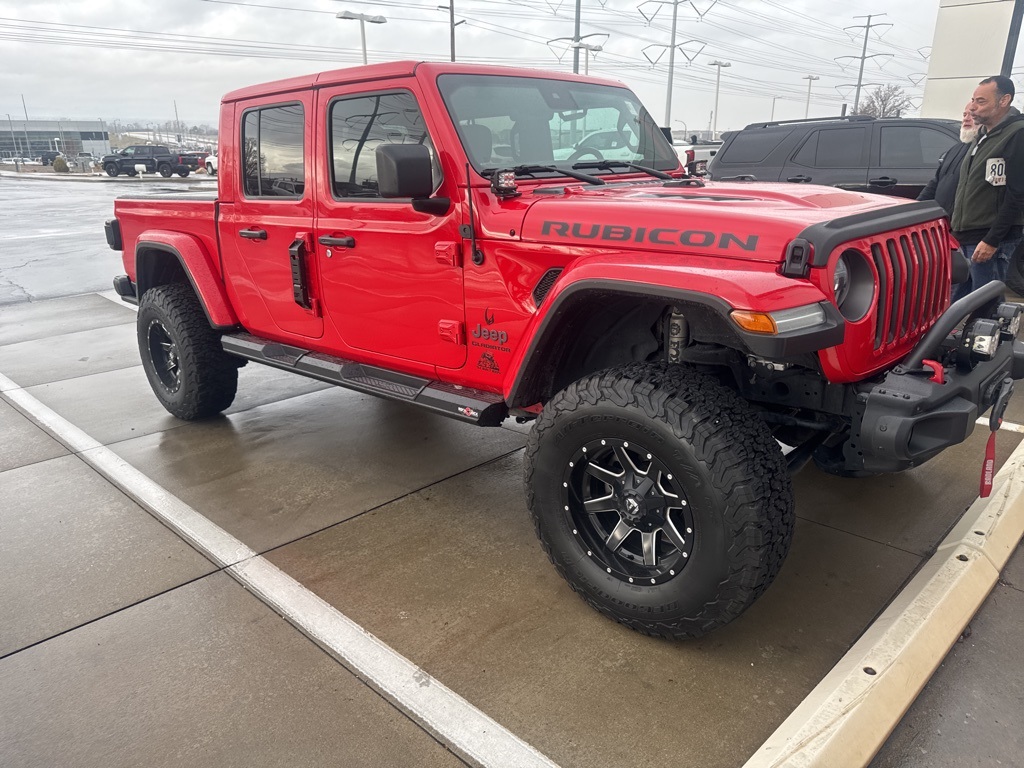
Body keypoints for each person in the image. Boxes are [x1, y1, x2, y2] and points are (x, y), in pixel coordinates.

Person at [950, 75, 1024, 301]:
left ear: (1004, 101)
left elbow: (1017, 193)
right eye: (973, 100)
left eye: (981, 101)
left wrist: (992, 240)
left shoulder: (1017, 134)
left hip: (988, 240)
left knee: (986, 309)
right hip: (968, 237)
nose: (972, 107)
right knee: (956, 306)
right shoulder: (982, 136)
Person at [917, 104, 978, 217]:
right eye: (964, 114)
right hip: (942, 220)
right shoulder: (955, 149)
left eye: (972, 115)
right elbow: (935, 182)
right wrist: (916, 207)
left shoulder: (982, 151)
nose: (966, 118)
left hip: (962, 223)